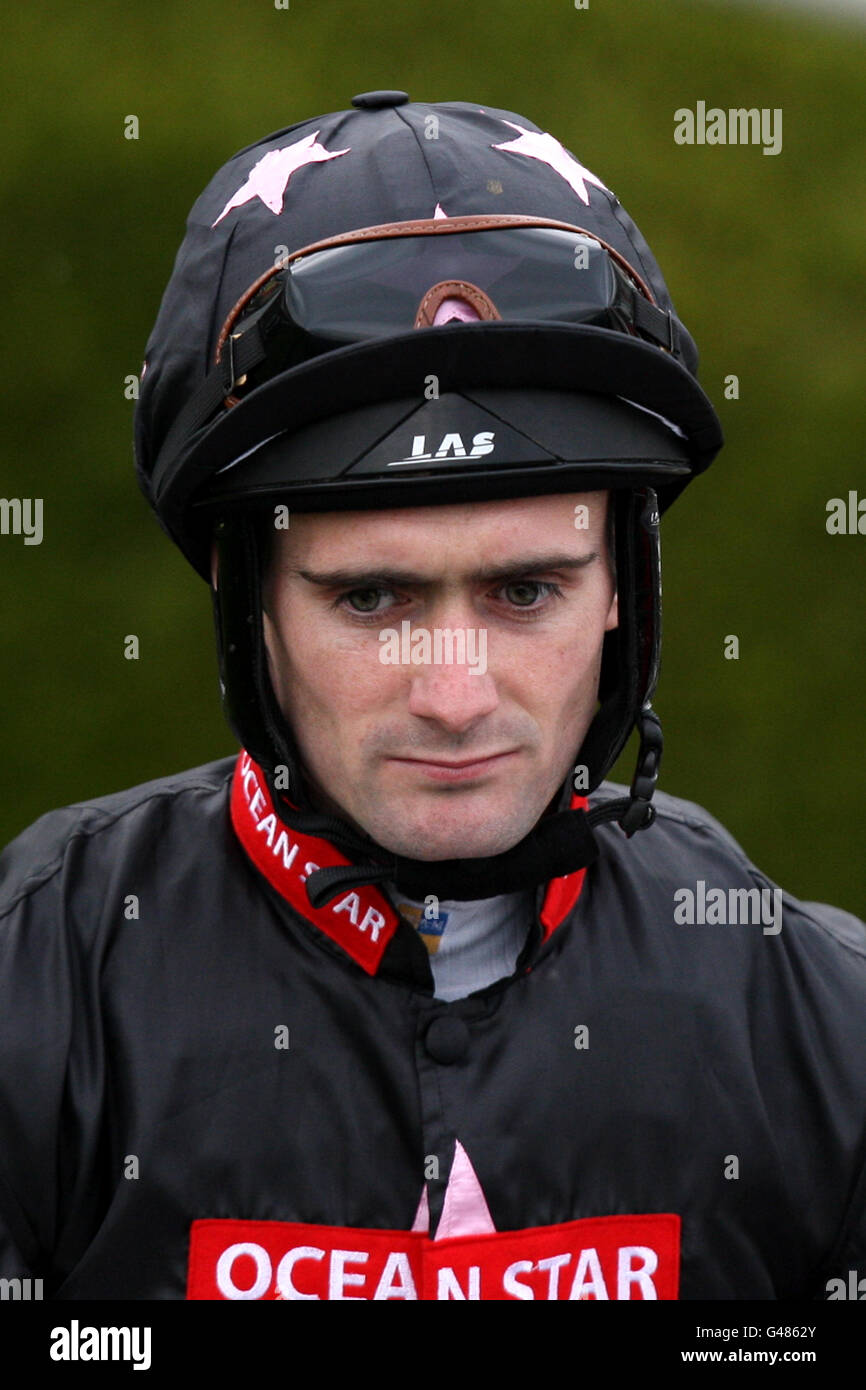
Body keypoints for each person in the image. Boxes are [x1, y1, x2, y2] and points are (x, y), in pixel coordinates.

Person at [1, 91, 864, 1303]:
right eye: (369, 599)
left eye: (524, 591)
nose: (454, 699)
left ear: (622, 580)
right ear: (241, 590)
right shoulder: (33, 991)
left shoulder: (825, 1025)